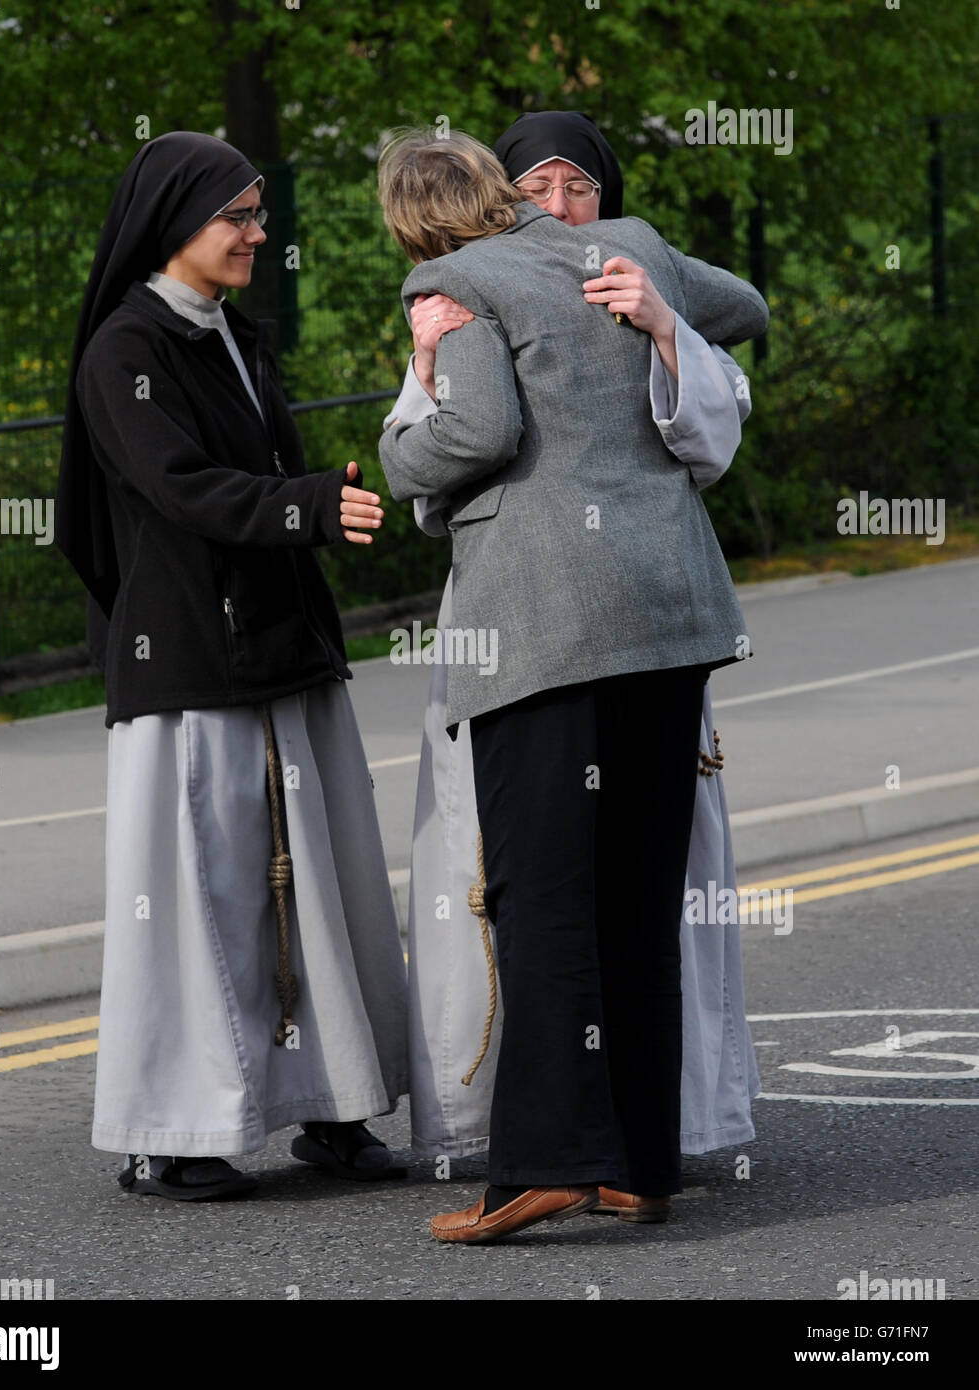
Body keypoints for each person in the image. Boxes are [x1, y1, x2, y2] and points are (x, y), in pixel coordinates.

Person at [378, 128, 768, 1243]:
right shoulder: (629, 244)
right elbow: (748, 310)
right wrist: (661, 316)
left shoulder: (449, 281)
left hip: (544, 628)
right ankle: (644, 1164)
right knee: (640, 896)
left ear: (415, 221)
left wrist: (404, 422)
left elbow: (479, 430)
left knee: (543, 894)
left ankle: (540, 1165)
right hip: (673, 611)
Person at [56, 131, 408, 1200]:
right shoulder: (126, 349)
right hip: (191, 668)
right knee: (197, 898)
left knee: (324, 886)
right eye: (240, 218)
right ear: (176, 227)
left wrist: (300, 503)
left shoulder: (235, 337)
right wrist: (305, 503)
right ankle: (174, 1132)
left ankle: (336, 1105)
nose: (261, 234)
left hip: (281, 647)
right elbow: (178, 487)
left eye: (259, 213)